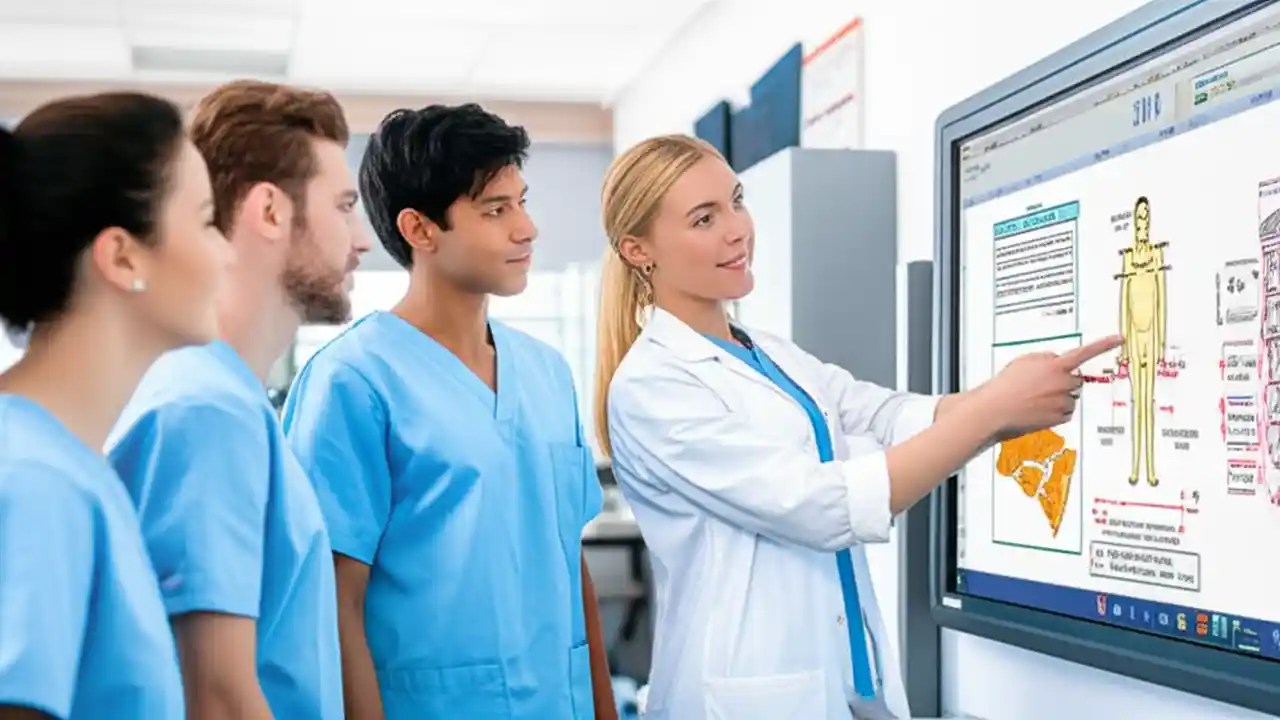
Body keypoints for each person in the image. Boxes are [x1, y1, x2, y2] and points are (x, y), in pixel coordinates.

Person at [594, 134, 1123, 720]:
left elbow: (887, 416)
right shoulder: (653, 386)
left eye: (736, 201)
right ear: (639, 249)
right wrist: (993, 411)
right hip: (747, 696)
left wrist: (1004, 398)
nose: (737, 229)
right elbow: (819, 506)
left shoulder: (770, 353)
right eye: (703, 218)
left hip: (848, 682)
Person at [282, 103, 615, 720]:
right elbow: (332, 603)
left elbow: (571, 563)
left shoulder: (546, 373)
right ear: (420, 229)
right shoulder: (352, 381)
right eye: (496, 210)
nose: (527, 228)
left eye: (522, 202)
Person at [106, 80, 370, 720]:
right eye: (342, 206)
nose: (361, 240)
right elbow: (218, 699)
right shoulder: (206, 412)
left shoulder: (224, 400)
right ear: (271, 212)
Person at [0, 92, 228, 719]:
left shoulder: (70, 467)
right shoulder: (37, 483)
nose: (226, 253)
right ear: (123, 256)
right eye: (208, 221)